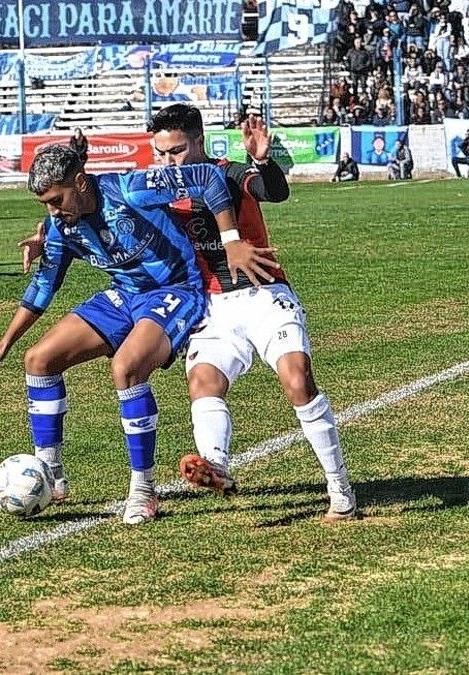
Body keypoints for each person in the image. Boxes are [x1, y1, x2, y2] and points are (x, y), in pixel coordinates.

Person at [0, 145, 277, 525]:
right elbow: (44, 285)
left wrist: (231, 240)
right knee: (39, 361)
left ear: (81, 183)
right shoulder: (60, 226)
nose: (52, 211)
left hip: (177, 290)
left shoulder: (131, 188)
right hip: (126, 294)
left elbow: (207, 178)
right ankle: (52, 475)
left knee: (127, 367)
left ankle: (143, 488)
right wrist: (4, 344)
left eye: (56, 200)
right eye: (45, 204)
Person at [147, 104, 357, 522]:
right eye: (162, 153)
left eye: (177, 151)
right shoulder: (157, 188)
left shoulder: (229, 171)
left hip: (265, 295)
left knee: (298, 381)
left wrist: (262, 159)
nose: (169, 162)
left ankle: (340, 488)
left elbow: (273, 191)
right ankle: (215, 465)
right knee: (202, 383)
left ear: (199, 142)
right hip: (213, 306)